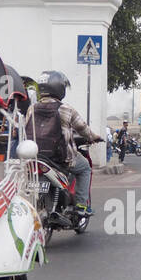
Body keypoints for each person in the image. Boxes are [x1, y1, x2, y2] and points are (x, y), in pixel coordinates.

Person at [33, 70, 103, 212]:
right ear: (59, 88)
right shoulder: (65, 109)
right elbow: (82, 128)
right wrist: (93, 137)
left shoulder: (31, 108)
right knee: (85, 169)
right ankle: (81, 205)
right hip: (61, 158)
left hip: (36, 157)